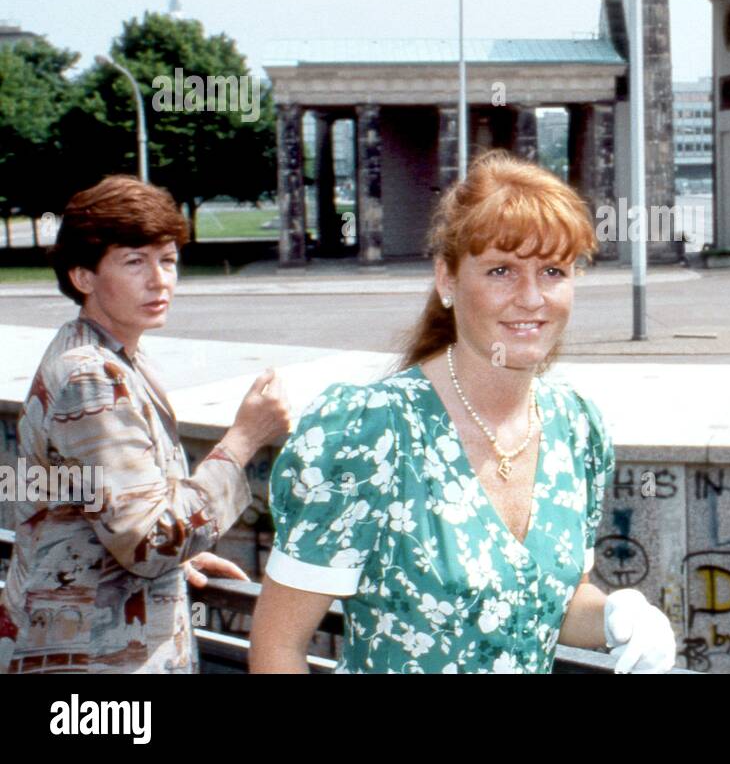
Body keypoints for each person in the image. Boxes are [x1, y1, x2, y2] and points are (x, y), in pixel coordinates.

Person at [249, 150, 677, 673]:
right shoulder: (371, 433)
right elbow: (278, 647)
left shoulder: (576, 428)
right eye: (501, 270)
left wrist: (615, 615)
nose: (532, 298)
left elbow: (550, 603)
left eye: (553, 270)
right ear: (447, 280)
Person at [0, 176, 292, 673]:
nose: (159, 280)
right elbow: (148, 543)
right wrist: (243, 440)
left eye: (168, 259)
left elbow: (112, 512)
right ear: (83, 277)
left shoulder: (104, 356)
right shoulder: (92, 376)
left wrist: (181, 560)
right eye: (135, 261)